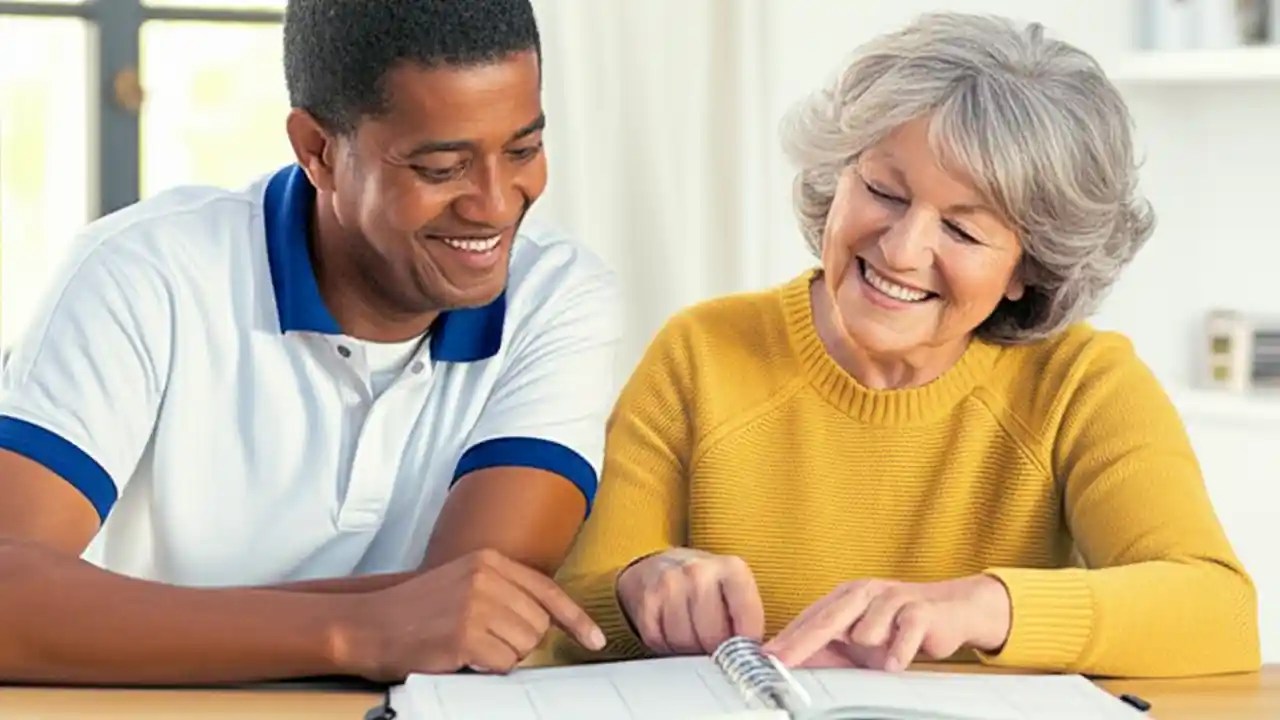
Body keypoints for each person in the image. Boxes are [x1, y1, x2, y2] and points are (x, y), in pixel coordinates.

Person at [548, 12, 1260, 678]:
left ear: (1028, 268)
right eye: (885, 191)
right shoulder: (700, 352)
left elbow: (1219, 612)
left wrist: (982, 606)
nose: (902, 248)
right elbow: (573, 613)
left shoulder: (1082, 382)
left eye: (963, 230)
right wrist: (641, 590)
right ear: (838, 174)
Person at [0, 0, 618, 684]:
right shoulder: (140, 273)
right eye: (442, 169)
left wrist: (128, 619)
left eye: (524, 150)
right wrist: (357, 630)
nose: (498, 204)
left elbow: (478, 624)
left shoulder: (557, 298)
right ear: (318, 151)